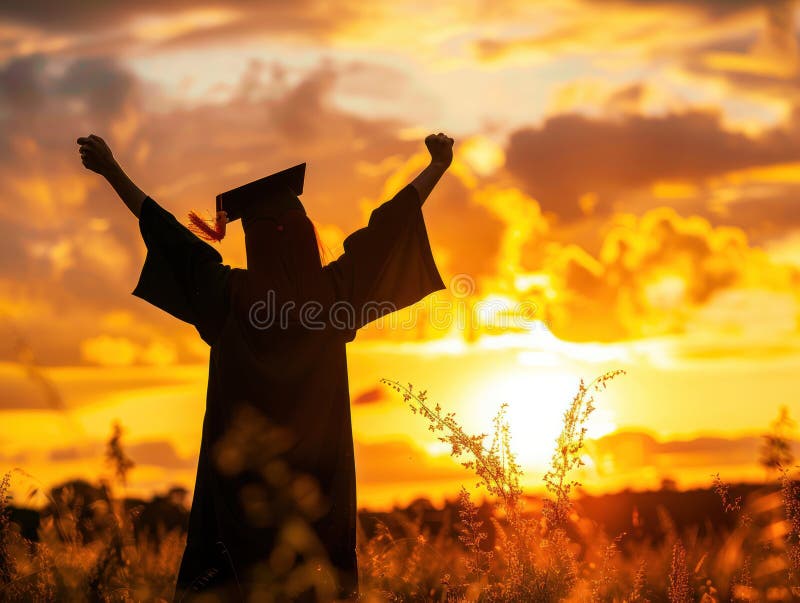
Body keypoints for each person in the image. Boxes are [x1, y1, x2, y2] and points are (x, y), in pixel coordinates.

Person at [76, 132, 453, 601]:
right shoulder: (335, 296)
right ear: (305, 235)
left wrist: (112, 169)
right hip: (319, 488)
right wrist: (438, 166)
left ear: (252, 242)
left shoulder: (229, 297)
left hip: (238, 490)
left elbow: (167, 234)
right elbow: (390, 228)